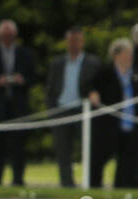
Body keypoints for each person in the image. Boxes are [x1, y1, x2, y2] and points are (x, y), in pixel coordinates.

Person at [0, 19, 36, 186]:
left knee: (18, 146)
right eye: (4, 35)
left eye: (10, 35)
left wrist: (22, 80)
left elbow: (34, 78)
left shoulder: (25, 54)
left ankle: (18, 179)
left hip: (18, 108)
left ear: (15, 36)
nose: (7, 38)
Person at [45, 28, 100, 188]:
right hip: (60, 110)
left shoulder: (93, 63)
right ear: (66, 42)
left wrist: (94, 93)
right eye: (71, 41)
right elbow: (50, 89)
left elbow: (98, 85)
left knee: (89, 148)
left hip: (83, 111)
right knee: (63, 151)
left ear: (82, 42)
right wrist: (51, 110)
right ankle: (67, 183)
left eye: (77, 40)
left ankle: (90, 183)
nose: (73, 44)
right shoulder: (57, 63)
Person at [86, 39, 138, 188]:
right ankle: (94, 187)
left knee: (128, 159)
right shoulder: (105, 72)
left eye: (131, 54)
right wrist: (93, 93)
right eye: (127, 54)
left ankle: (123, 187)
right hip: (108, 124)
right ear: (116, 55)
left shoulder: (134, 74)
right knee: (100, 157)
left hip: (130, 124)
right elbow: (89, 86)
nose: (130, 57)